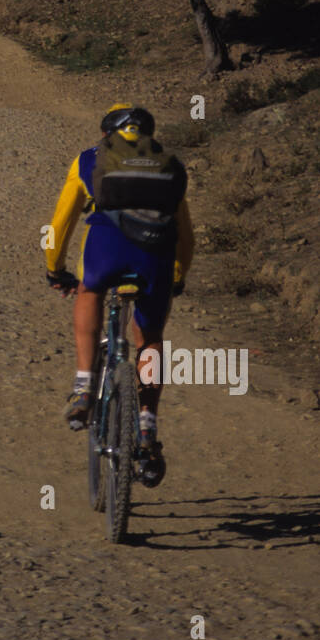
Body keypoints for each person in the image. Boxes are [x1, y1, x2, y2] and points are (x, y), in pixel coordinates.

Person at [45, 103, 194, 476]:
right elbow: (186, 234)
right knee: (150, 337)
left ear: (106, 133)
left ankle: (83, 387)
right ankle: (147, 429)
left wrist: (55, 269)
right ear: (147, 133)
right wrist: (177, 274)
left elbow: (61, 221)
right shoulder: (169, 162)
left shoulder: (90, 159)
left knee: (89, 291)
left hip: (107, 249)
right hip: (155, 254)